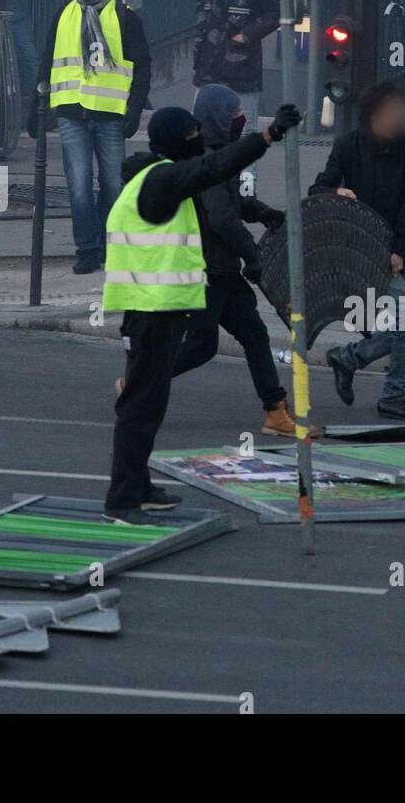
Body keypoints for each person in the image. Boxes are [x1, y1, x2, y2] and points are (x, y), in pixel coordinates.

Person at [102, 103, 303, 526]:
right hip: (147, 312)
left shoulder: (158, 179)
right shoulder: (159, 181)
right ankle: (121, 501)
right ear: (179, 140)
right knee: (138, 410)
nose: (198, 137)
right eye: (192, 132)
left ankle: (138, 487)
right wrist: (266, 138)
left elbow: (222, 184)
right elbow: (215, 167)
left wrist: (261, 209)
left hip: (161, 310)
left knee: (151, 406)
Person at [170, 83, 298, 438]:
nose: (241, 117)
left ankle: (275, 411)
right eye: (235, 111)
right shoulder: (204, 159)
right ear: (219, 116)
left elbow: (236, 204)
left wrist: (264, 212)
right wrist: (252, 255)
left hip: (222, 269)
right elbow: (221, 217)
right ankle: (138, 383)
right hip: (206, 270)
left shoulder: (220, 155)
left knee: (255, 336)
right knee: (201, 346)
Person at [311, 80, 405, 423]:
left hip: (395, 245)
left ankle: (348, 358)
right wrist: (337, 191)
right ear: (375, 114)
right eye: (394, 111)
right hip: (360, 246)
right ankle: (394, 395)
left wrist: (398, 249)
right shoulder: (349, 145)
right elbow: (318, 187)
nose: (401, 117)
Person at [33, 0, 152, 275]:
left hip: (110, 115)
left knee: (114, 185)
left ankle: (106, 242)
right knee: (80, 186)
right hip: (72, 113)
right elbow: (47, 60)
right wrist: (37, 107)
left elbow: (142, 65)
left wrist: (135, 108)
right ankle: (88, 249)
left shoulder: (125, 17)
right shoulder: (64, 15)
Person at [192, 0, 279, 174]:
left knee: (244, 136)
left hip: (240, 68)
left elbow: (274, 12)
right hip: (207, 66)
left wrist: (244, 36)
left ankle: (243, 195)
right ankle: (204, 196)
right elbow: (202, 6)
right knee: (200, 134)